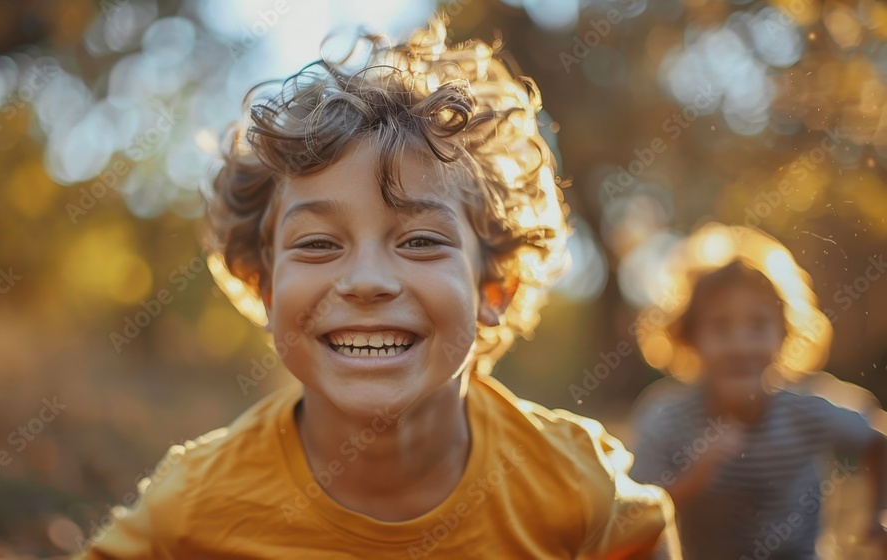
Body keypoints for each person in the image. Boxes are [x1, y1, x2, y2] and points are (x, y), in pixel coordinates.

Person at [79, 16, 678, 559]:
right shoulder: (191, 510)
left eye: (420, 241)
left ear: (494, 287)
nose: (366, 281)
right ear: (265, 288)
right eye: (318, 244)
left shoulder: (580, 493)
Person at [627, 223, 887, 560]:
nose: (740, 345)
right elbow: (634, 514)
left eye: (758, 325)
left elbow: (878, 439)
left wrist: (878, 515)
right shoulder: (666, 416)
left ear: (784, 334)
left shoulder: (807, 409)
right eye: (720, 326)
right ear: (690, 336)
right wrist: (694, 476)